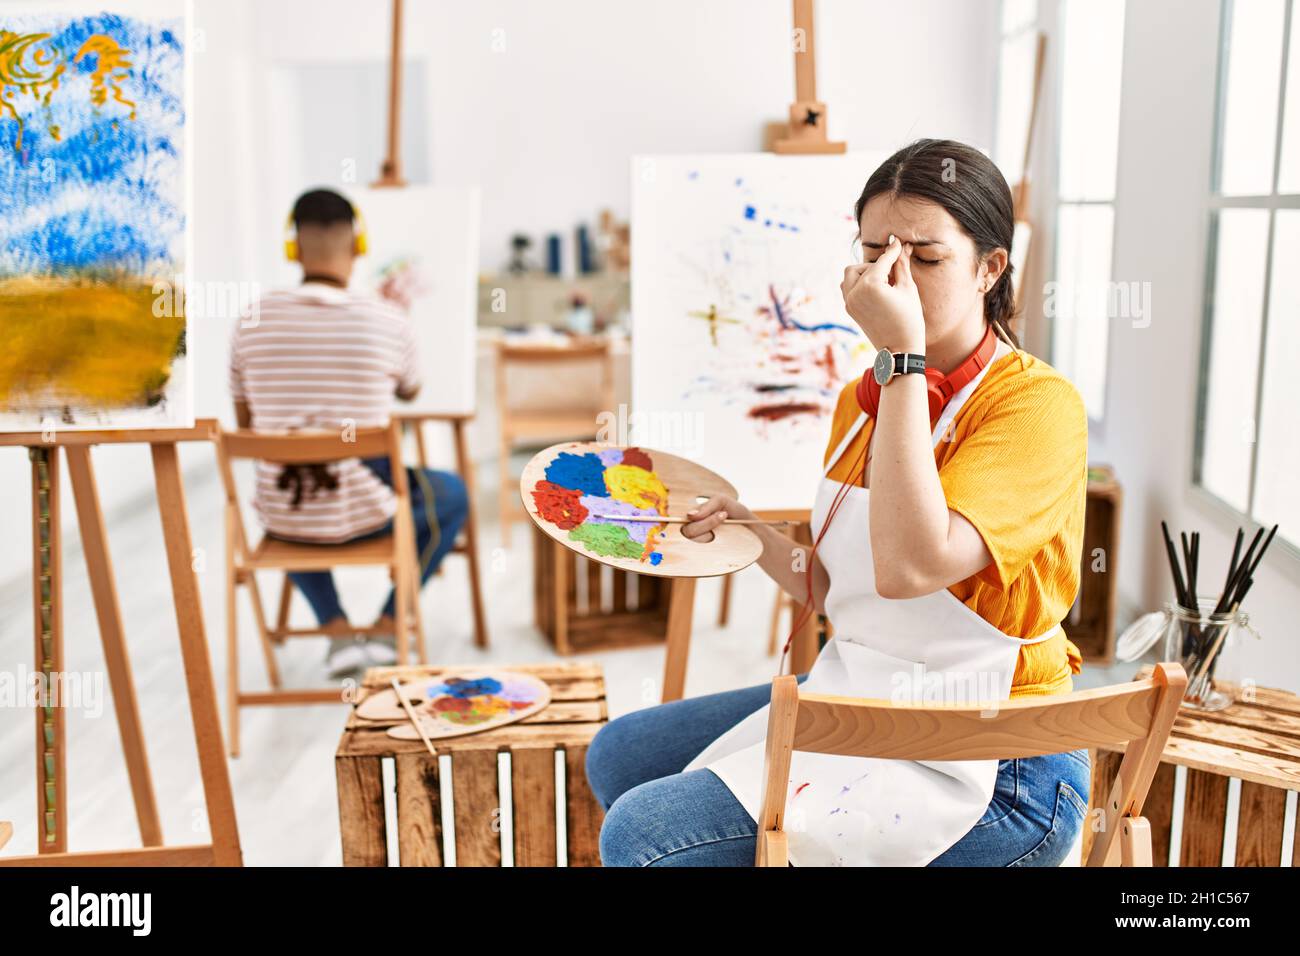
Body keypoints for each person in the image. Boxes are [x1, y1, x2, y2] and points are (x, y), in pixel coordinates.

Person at [585, 140, 1092, 867]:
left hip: (995, 758)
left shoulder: (1036, 405)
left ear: (990, 267)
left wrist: (903, 360)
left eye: (925, 256)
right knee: (620, 753)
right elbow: (833, 587)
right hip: (868, 695)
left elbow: (910, 570)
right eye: (875, 250)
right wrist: (748, 525)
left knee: (641, 833)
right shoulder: (865, 398)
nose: (894, 276)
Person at [228, 188, 468, 680]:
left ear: (291, 248)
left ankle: (336, 632)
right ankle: (385, 627)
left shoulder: (249, 320)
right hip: (370, 512)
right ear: (359, 245)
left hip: (286, 518)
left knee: (285, 480)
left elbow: (247, 425)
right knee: (452, 494)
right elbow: (411, 390)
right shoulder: (387, 319)